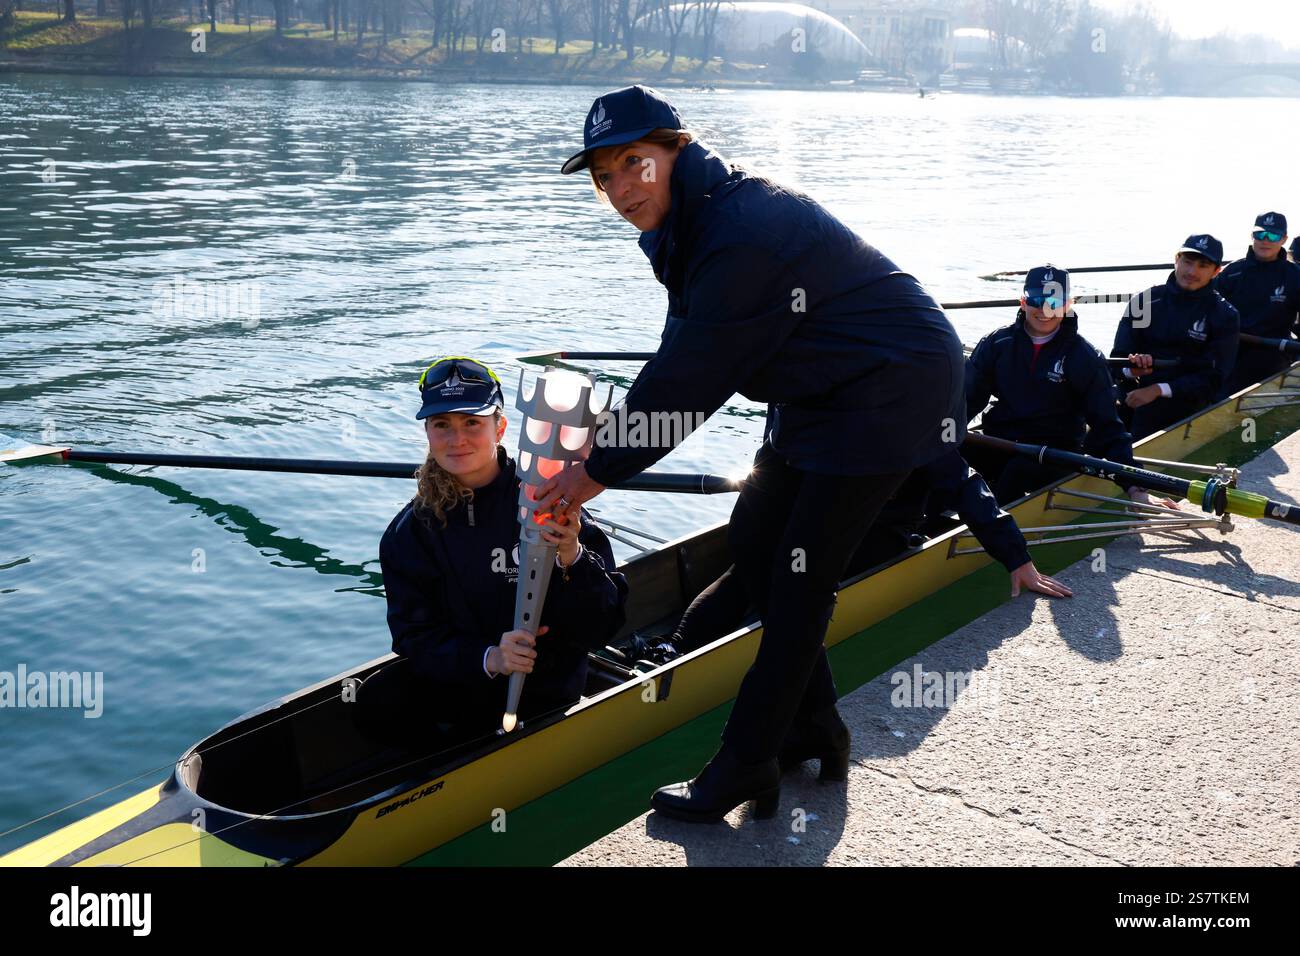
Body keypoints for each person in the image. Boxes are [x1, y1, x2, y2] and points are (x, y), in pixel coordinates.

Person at [543, 85, 967, 823]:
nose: (618, 189)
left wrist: (591, 473)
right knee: (756, 540)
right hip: (821, 389)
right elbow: (682, 353)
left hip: (896, 389)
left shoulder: (740, 232)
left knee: (801, 575)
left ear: (677, 148)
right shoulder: (689, 221)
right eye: (603, 176)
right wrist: (607, 434)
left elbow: (690, 384)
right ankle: (816, 727)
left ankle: (747, 761)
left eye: (634, 164)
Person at [354, 356, 629, 757]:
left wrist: (573, 555)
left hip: (545, 684)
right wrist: (490, 658)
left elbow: (606, 625)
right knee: (376, 699)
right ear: (427, 433)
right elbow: (414, 637)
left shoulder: (550, 496)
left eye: (472, 423)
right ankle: (438, 770)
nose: (457, 439)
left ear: (499, 427)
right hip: (469, 683)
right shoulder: (410, 533)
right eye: (441, 424)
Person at [964, 265, 1171, 508]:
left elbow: (1108, 428)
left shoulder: (1084, 357)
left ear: (1068, 303)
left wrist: (1136, 488)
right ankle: (916, 527)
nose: (1045, 309)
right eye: (1036, 300)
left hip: (1052, 453)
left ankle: (987, 523)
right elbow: (965, 402)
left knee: (1018, 471)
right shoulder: (996, 344)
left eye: (1054, 301)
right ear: (1023, 302)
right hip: (1000, 440)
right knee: (943, 455)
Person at [1110, 235, 1240, 440]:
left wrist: (1158, 389)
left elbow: (1213, 379)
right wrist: (1131, 368)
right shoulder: (1145, 301)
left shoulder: (1224, 315)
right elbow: (1116, 360)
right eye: (1187, 262)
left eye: (1202, 266)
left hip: (1185, 397)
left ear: (1216, 272)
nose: (1191, 272)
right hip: (1135, 390)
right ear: (1176, 260)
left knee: (1147, 417)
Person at [1214, 212, 1300, 397]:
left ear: (1284, 239)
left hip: (1275, 354)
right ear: (1252, 236)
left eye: (1273, 235)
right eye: (1260, 235)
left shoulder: (1295, 275)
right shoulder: (1232, 273)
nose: (1265, 241)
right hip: (1232, 351)